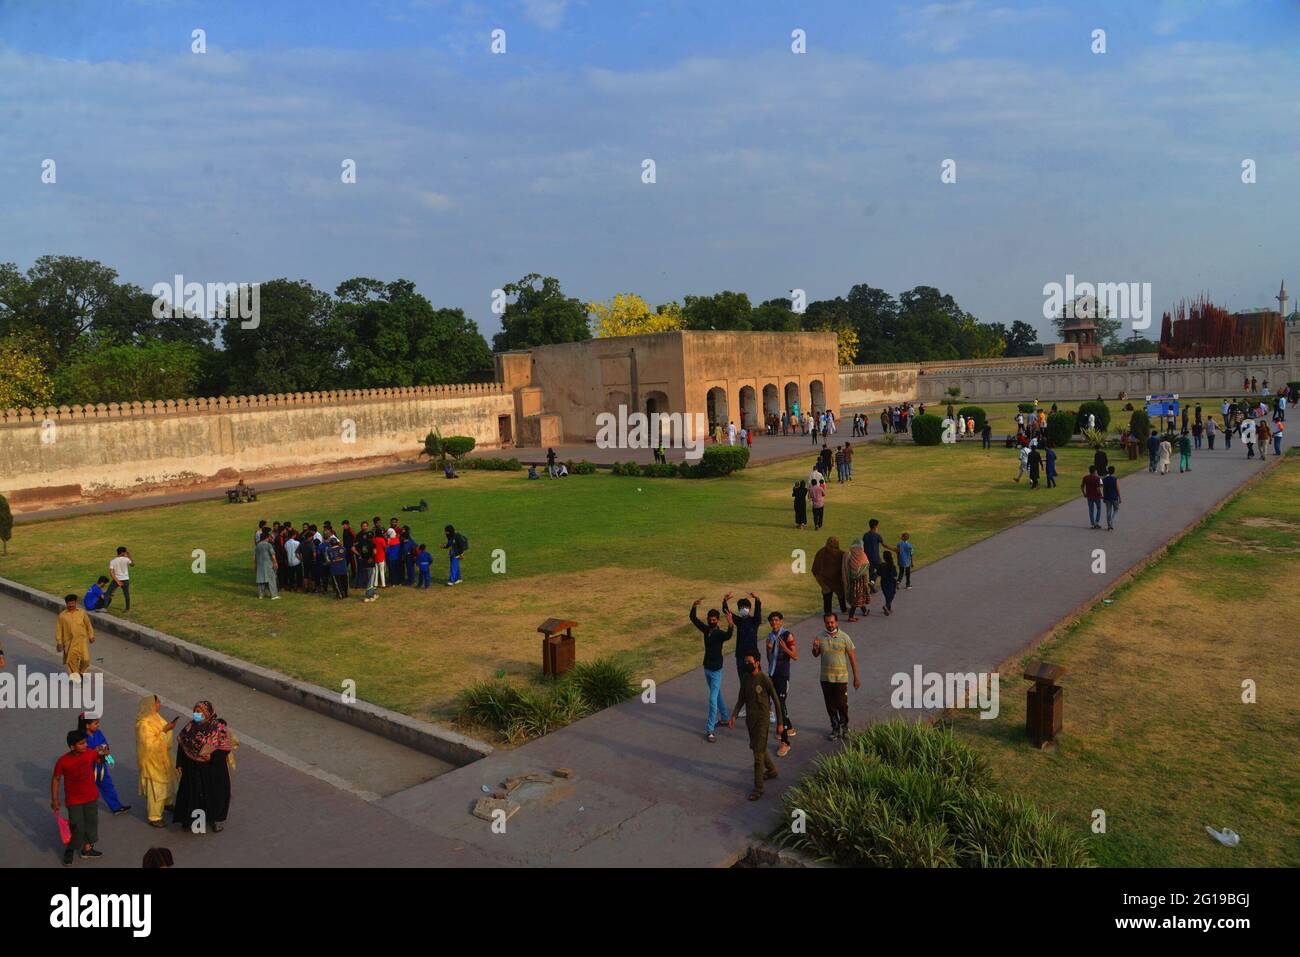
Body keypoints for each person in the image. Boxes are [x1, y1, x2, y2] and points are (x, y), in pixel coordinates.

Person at [172, 700, 238, 833]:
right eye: (195, 711)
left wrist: (211, 757)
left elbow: (225, 748)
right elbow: (182, 745)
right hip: (192, 768)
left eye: (199, 712)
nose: (196, 714)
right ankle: (190, 821)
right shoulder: (190, 727)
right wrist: (180, 763)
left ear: (207, 713)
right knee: (192, 795)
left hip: (212, 770)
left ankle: (214, 820)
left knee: (213, 795)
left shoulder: (218, 729)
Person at [727, 651, 785, 801]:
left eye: (749, 661)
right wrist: (734, 715)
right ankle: (772, 770)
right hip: (750, 721)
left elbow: (777, 701)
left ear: (757, 662)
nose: (747, 664)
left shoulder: (764, 679)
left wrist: (780, 723)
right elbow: (741, 699)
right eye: (745, 661)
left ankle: (758, 788)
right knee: (757, 747)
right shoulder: (746, 679)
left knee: (757, 756)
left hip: (762, 720)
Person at [52, 729, 108, 865]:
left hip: (91, 797)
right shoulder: (63, 761)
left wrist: (105, 754)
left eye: (85, 743)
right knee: (77, 827)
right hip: (74, 800)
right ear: (72, 747)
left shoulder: (90, 753)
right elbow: (56, 779)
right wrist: (54, 799)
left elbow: (101, 757)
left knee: (91, 823)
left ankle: (87, 849)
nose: (85, 745)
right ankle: (70, 848)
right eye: (81, 744)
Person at [689, 598, 733, 742]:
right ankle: (725, 718)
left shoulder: (719, 634)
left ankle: (710, 730)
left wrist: (731, 622)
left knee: (712, 699)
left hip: (716, 671)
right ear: (708, 619)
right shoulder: (706, 630)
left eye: (714, 620)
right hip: (707, 668)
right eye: (710, 619)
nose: (712, 621)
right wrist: (694, 605)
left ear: (717, 620)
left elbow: (728, 635)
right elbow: (693, 619)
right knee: (717, 692)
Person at [812, 613, 859, 741]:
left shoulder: (844, 637)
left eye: (832, 622)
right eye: (827, 622)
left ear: (836, 622)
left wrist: (856, 677)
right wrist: (815, 647)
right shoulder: (820, 637)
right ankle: (835, 728)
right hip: (826, 678)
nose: (830, 625)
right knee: (830, 705)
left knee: (842, 704)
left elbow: (852, 658)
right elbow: (815, 654)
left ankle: (845, 727)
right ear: (825, 623)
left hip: (841, 678)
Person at [135, 694, 179, 829]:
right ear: (150, 706)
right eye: (157, 702)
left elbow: (165, 739)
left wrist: (167, 729)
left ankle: (167, 803)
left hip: (164, 758)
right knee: (156, 790)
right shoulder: (143, 724)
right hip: (152, 763)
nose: (159, 704)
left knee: (169, 783)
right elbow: (150, 745)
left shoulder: (156, 718)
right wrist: (165, 731)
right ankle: (154, 817)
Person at [78, 714, 130, 816]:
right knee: (87, 789)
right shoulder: (82, 738)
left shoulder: (98, 733)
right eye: (95, 723)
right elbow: (84, 753)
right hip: (88, 768)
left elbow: (105, 745)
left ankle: (116, 807)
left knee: (108, 786)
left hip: (101, 766)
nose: (98, 725)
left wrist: (108, 756)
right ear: (87, 725)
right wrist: (95, 755)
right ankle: (82, 810)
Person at [764, 612, 797, 757]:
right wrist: (770, 649)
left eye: (776, 620)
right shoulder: (770, 637)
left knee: (780, 705)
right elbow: (768, 658)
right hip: (772, 674)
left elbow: (795, 656)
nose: (774, 623)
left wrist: (784, 649)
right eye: (771, 621)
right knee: (779, 703)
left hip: (783, 675)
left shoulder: (787, 635)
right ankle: (788, 727)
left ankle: (785, 743)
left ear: (781, 621)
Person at [726, 592, 762, 701]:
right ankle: (747, 706)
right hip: (740, 656)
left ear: (749, 609)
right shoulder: (739, 621)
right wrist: (724, 601)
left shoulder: (754, 621)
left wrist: (757, 599)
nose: (743, 609)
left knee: (758, 681)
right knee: (743, 682)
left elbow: (758, 612)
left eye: (746, 607)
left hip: (753, 656)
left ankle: (766, 707)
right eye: (741, 607)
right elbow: (727, 612)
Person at [55, 593, 94, 681]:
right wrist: (59, 643)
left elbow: (88, 625)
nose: (71, 607)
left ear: (75, 603)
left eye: (73, 605)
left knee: (86, 659)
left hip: (81, 641)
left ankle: (82, 673)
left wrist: (91, 635)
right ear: (66, 604)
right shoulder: (62, 616)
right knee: (72, 662)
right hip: (69, 642)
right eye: (69, 605)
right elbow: (59, 630)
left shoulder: (82, 613)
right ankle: (77, 678)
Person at [812, 536, 848, 616]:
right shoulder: (839, 553)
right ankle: (835, 611)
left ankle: (834, 611)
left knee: (833, 594)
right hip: (829, 579)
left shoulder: (822, 552)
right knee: (834, 593)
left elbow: (815, 567)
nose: (832, 544)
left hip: (830, 579)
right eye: (831, 542)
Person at [843, 539, 871, 620]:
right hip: (861, 581)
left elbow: (846, 568)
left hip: (852, 581)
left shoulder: (849, 555)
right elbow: (866, 568)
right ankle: (851, 616)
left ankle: (864, 611)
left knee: (858, 596)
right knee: (857, 597)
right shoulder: (863, 555)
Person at [862, 518, 890, 588]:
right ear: (875, 526)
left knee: (871, 571)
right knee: (881, 569)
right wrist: (894, 549)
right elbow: (884, 545)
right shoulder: (877, 535)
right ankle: (872, 581)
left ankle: (872, 587)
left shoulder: (865, 535)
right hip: (875, 556)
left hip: (867, 556)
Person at [106, 546, 133, 611]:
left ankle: (104, 607)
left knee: (108, 593)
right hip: (125, 579)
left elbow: (111, 573)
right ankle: (127, 608)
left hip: (116, 579)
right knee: (126, 594)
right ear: (123, 552)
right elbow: (132, 564)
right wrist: (129, 555)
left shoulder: (112, 561)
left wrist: (117, 581)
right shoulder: (126, 559)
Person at [254, 530, 279, 599]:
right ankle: (274, 595)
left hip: (260, 564)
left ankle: (261, 595)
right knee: (271, 579)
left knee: (261, 580)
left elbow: (255, 556)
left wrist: (255, 565)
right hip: (268, 564)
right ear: (267, 537)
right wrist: (275, 563)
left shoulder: (257, 545)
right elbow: (273, 555)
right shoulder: (268, 545)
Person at [1102, 466, 1121, 531]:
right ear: (1114, 471)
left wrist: (1104, 497)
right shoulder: (1116, 479)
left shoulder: (1104, 479)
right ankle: (1111, 521)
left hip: (1107, 497)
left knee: (1108, 511)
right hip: (1114, 497)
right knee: (1116, 509)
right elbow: (1118, 489)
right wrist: (1120, 497)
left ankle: (1109, 526)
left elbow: (1104, 489)